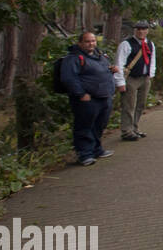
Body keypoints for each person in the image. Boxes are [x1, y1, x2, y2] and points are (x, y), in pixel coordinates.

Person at [60, 31, 119, 166]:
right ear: (80, 43)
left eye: (93, 41)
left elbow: (102, 70)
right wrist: (81, 94)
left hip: (104, 96)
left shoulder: (100, 56)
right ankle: (84, 154)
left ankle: (97, 149)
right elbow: (69, 79)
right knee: (84, 126)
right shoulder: (74, 58)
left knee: (99, 125)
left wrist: (112, 70)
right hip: (87, 99)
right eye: (87, 41)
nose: (91, 44)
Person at [114, 20, 156, 141]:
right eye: (138, 29)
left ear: (147, 30)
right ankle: (127, 131)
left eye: (144, 29)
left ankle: (135, 128)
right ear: (135, 30)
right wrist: (120, 82)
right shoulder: (126, 44)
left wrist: (150, 74)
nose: (141, 31)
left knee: (140, 105)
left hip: (145, 77)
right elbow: (119, 63)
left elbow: (152, 60)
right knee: (129, 105)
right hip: (131, 78)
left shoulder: (150, 44)